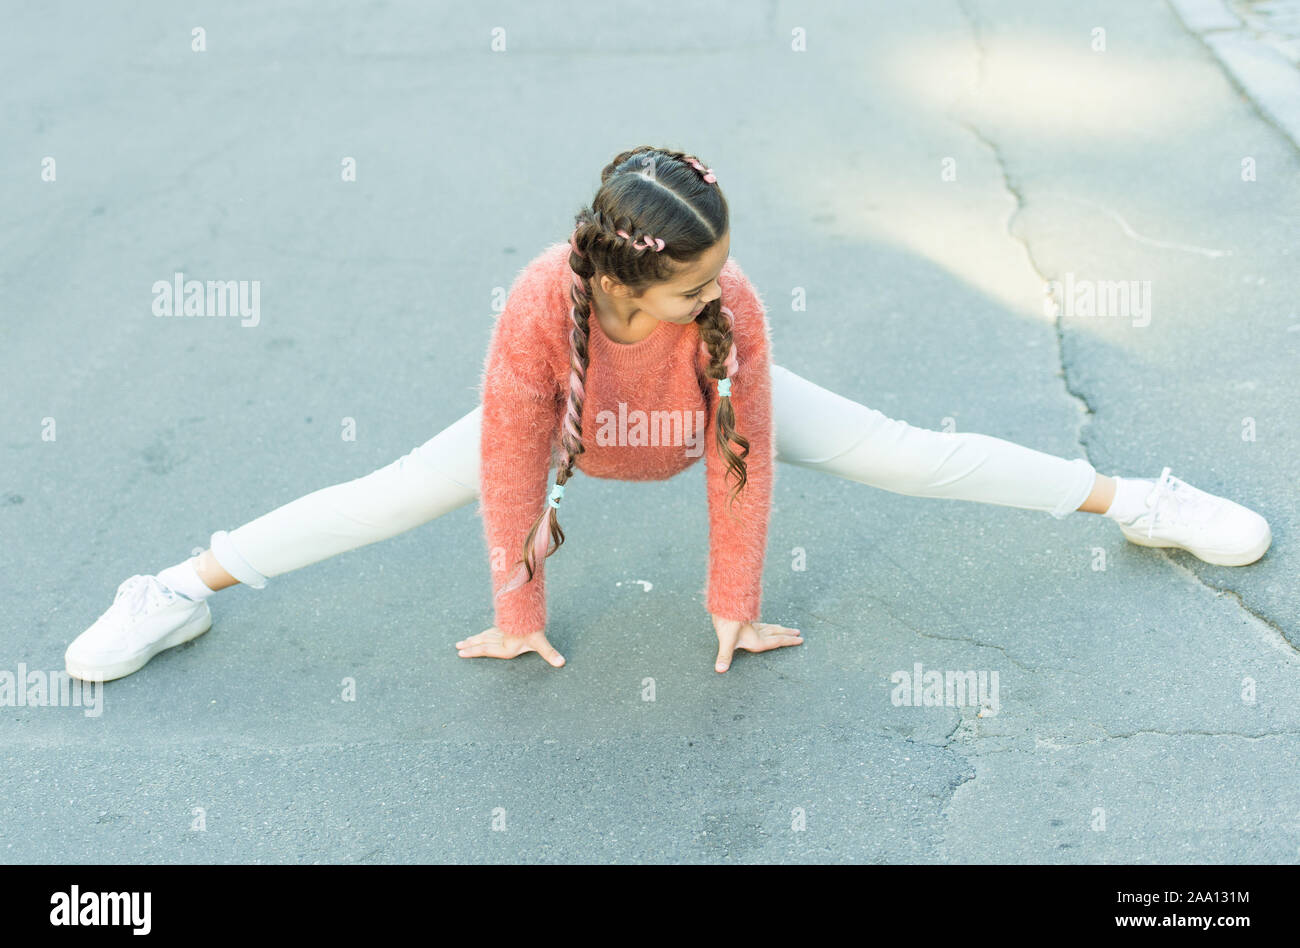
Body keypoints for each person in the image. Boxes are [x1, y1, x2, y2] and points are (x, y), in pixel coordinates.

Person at [65, 146, 1272, 681]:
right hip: (567, 416)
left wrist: (734, 609)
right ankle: (172, 589)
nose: (724, 291)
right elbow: (506, 464)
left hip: (697, 411)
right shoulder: (542, 304)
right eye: (693, 284)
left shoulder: (727, 308)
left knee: (907, 454)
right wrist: (515, 608)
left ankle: (1139, 501)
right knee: (381, 495)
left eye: (720, 275)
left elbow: (739, 463)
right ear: (618, 282)